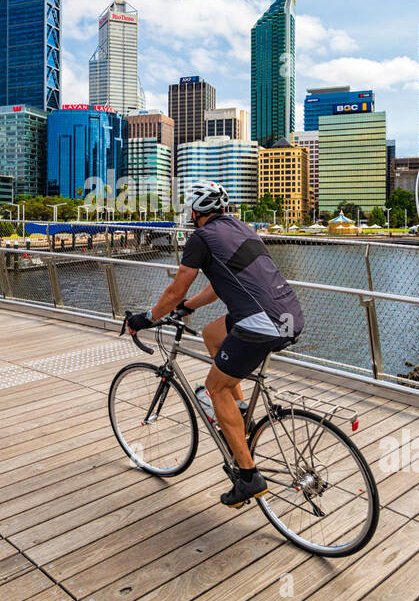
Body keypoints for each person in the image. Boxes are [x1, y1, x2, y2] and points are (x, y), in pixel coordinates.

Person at [126, 180, 305, 507]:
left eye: (190, 209)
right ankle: (238, 415)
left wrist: (146, 318)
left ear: (196, 211)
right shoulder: (241, 228)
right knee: (212, 334)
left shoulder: (201, 238)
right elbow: (223, 284)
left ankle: (249, 478)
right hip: (288, 314)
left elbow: (175, 290)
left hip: (261, 323)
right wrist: (189, 307)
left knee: (215, 387)